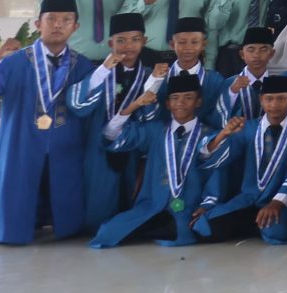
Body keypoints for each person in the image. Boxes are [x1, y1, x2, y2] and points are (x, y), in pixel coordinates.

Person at [0, 0, 93, 244]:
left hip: (66, 142)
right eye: (51, 18)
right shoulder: (14, 62)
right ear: (37, 24)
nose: (58, 24)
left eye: (66, 19)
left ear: (76, 27)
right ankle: (15, 227)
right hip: (20, 140)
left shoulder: (83, 66)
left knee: (62, 181)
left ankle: (58, 222)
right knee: (18, 184)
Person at [88, 72, 244, 248]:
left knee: (179, 234)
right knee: (107, 233)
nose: (181, 103)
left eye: (188, 97)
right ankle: (154, 225)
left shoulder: (209, 134)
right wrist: (134, 105)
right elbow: (111, 134)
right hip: (151, 205)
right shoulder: (155, 131)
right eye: (175, 98)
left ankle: (158, 227)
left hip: (188, 207)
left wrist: (207, 205)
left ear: (198, 102)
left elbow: (217, 171)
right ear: (168, 104)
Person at [62, 11, 161, 227]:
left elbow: (153, 116)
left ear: (144, 41)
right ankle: (96, 227)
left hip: (131, 143)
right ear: (110, 43)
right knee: (99, 193)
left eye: (135, 40)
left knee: (129, 189)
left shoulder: (148, 75)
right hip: (97, 145)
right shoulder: (99, 71)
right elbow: (77, 103)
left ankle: (123, 226)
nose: (129, 46)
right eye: (121, 40)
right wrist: (104, 69)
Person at [194, 72, 287, 244]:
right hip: (249, 197)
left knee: (277, 233)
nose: (274, 104)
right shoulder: (249, 128)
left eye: (281, 98)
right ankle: (253, 223)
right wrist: (223, 134)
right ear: (261, 100)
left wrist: (278, 201)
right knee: (207, 228)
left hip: (284, 200)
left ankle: (255, 223)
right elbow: (215, 159)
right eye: (269, 99)